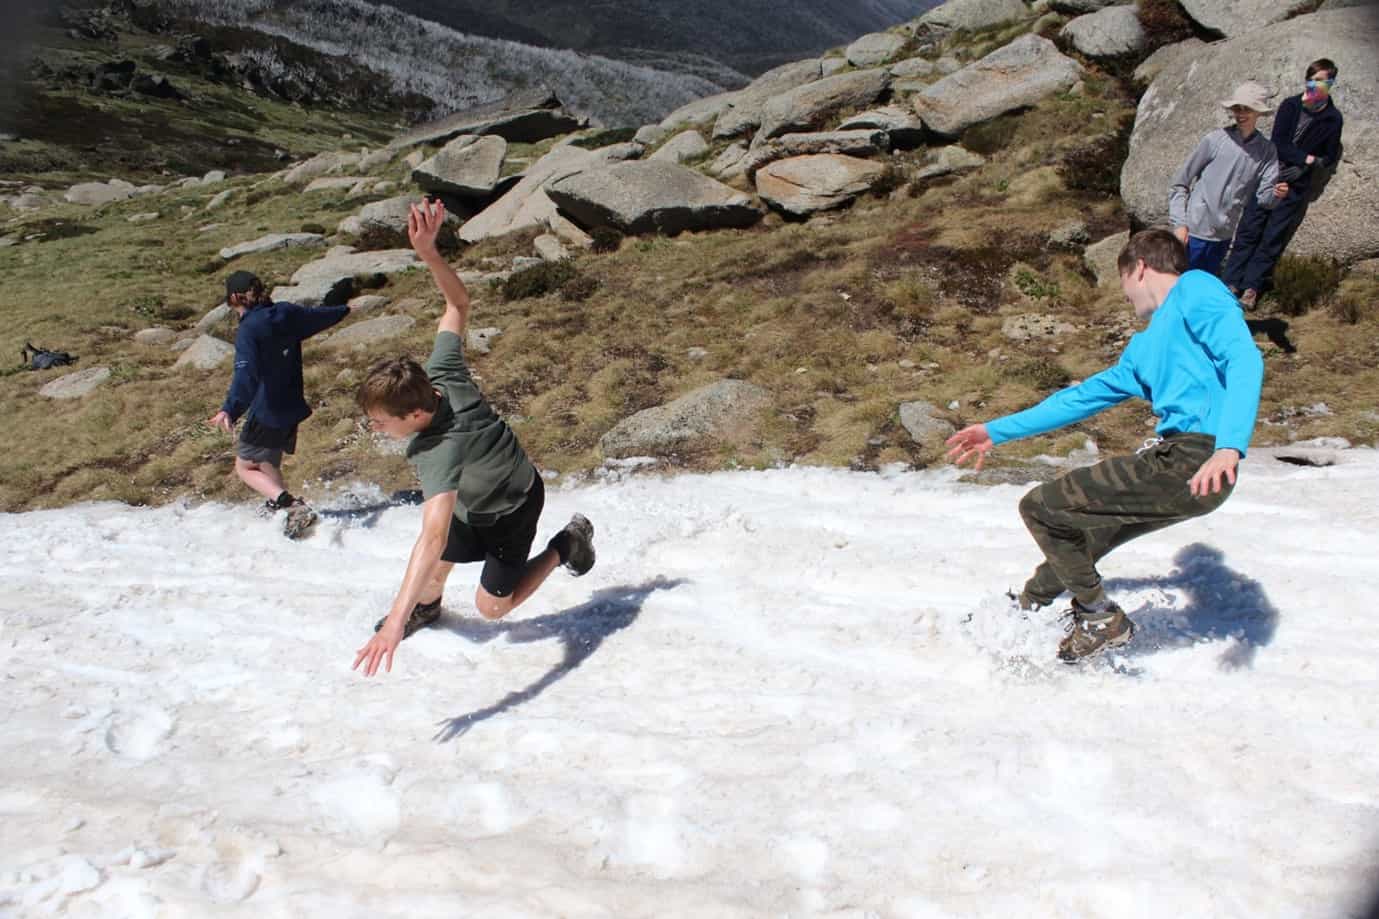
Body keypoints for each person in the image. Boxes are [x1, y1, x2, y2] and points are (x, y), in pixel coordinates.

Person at [945, 228, 1264, 663]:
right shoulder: (1142, 350)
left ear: (1140, 268)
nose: (1126, 297)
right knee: (1089, 534)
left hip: (1198, 456)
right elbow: (1077, 400)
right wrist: (997, 431)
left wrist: (1230, 446)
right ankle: (1028, 607)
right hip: (1189, 463)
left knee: (1041, 507)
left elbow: (1244, 357)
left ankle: (1098, 615)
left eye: (1123, 283)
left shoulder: (1195, 287)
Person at [352, 199, 595, 678]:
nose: (375, 429)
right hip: (476, 499)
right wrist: (428, 252)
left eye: (381, 422)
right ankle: (428, 607)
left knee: (491, 608)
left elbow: (432, 534)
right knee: (433, 573)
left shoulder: (438, 451)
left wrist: (392, 624)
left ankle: (568, 543)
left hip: (514, 506)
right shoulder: (440, 374)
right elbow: (458, 305)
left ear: (417, 413)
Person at [209, 270, 353, 538]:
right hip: (291, 403)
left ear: (234, 298)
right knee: (267, 462)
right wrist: (343, 309)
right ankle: (279, 509)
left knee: (245, 467)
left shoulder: (249, 329)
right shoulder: (285, 313)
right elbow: (318, 317)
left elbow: (246, 375)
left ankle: (293, 507)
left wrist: (230, 409)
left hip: (267, 409)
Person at [1223, 59, 1344, 310]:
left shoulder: (1333, 119)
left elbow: (1330, 155)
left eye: (1321, 80)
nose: (1315, 85)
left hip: (1295, 186)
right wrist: (1305, 158)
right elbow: (1278, 142)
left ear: (1331, 83)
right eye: (1311, 79)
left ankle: (1251, 288)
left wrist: (1315, 163)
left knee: (1272, 238)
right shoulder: (1290, 106)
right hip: (1268, 176)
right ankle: (1230, 283)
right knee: (1248, 230)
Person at [1168, 81, 1284, 277]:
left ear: (1258, 112)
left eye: (1247, 108)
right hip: (1193, 233)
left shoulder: (1266, 151)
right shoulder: (1215, 140)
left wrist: (1276, 194)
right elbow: (1179, 183)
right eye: (1237, 108)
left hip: (1223, 236)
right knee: (1181, 287)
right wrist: (1179, 224)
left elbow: (1265, 200)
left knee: (1205, 289)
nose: (1240, 113)